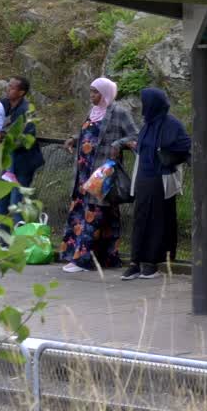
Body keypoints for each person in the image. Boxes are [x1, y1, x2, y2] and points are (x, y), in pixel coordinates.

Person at [59, 77, 138, 273]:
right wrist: (74, 139)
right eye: (91, 91)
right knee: (87, 213)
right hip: (84, 173)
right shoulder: (94, 112)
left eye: (95, 92)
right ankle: (104, 257)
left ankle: (83, 260)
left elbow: (136, 136)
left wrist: (118, 144)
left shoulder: (118, 112)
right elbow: (91, 134)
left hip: (102, 174)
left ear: (105, 94)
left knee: (94, 214)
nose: (92, 95)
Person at [121, 87, 191, 281]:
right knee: (141, 219)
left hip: (161, 178)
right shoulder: (148, 124)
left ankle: (152, 262)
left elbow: (184, 145)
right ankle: (135, 261)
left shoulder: (172, 125)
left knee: (158, 220)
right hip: (144, 177)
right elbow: (144, 147)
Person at [0, 76, 46, 222]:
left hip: (22, 162)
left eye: (12, 87)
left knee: (16, 202)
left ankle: (16, 238)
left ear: (21, 92)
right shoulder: (2, 104)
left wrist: (4, 138)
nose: (8, 89)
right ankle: (2, 239)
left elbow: (26, 137)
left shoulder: (26, 110)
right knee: (0, 200)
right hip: (4, 161)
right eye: (8, 85)